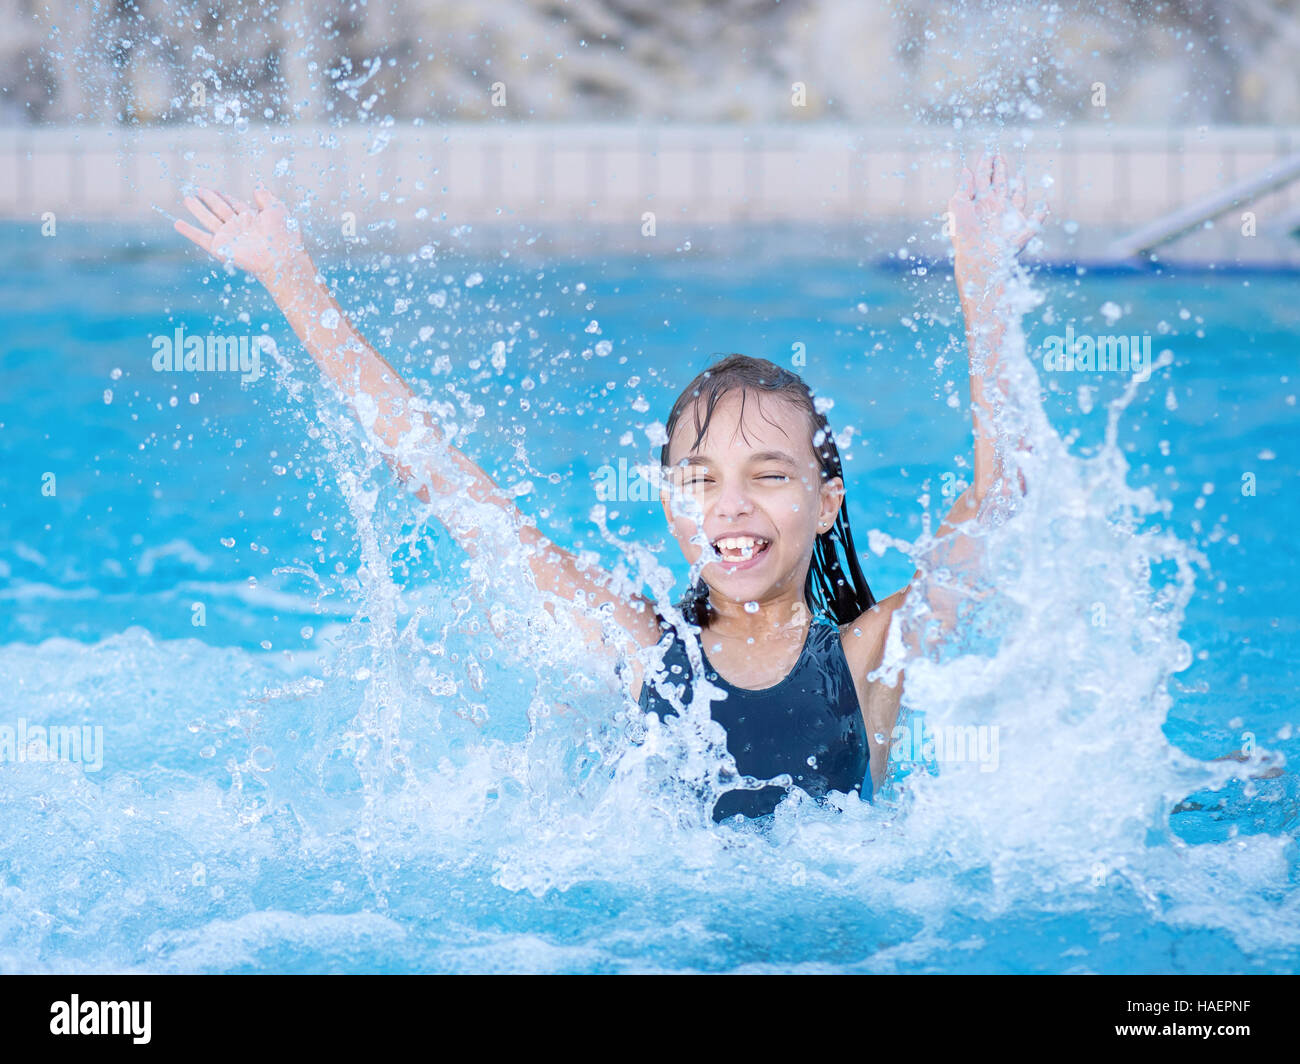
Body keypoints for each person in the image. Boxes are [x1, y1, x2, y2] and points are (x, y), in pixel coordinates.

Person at [174, 152, 1046, 822]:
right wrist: (291, 281)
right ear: (671, 507)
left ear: (826, 503)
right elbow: (440, 478)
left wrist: (981, 281)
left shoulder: (869, 659)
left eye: (769, 476)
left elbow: (1002, 497)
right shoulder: (638, 646)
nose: (731, 504)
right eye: (701, 480)